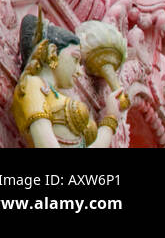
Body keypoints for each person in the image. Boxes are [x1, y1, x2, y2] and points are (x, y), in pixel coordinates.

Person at [13, 15, 123, 148]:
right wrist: (110, 120)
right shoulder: (33, 84)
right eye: (75, 59)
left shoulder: (57, 95)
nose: (79, 71)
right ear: (53, 52)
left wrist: (111, 118)